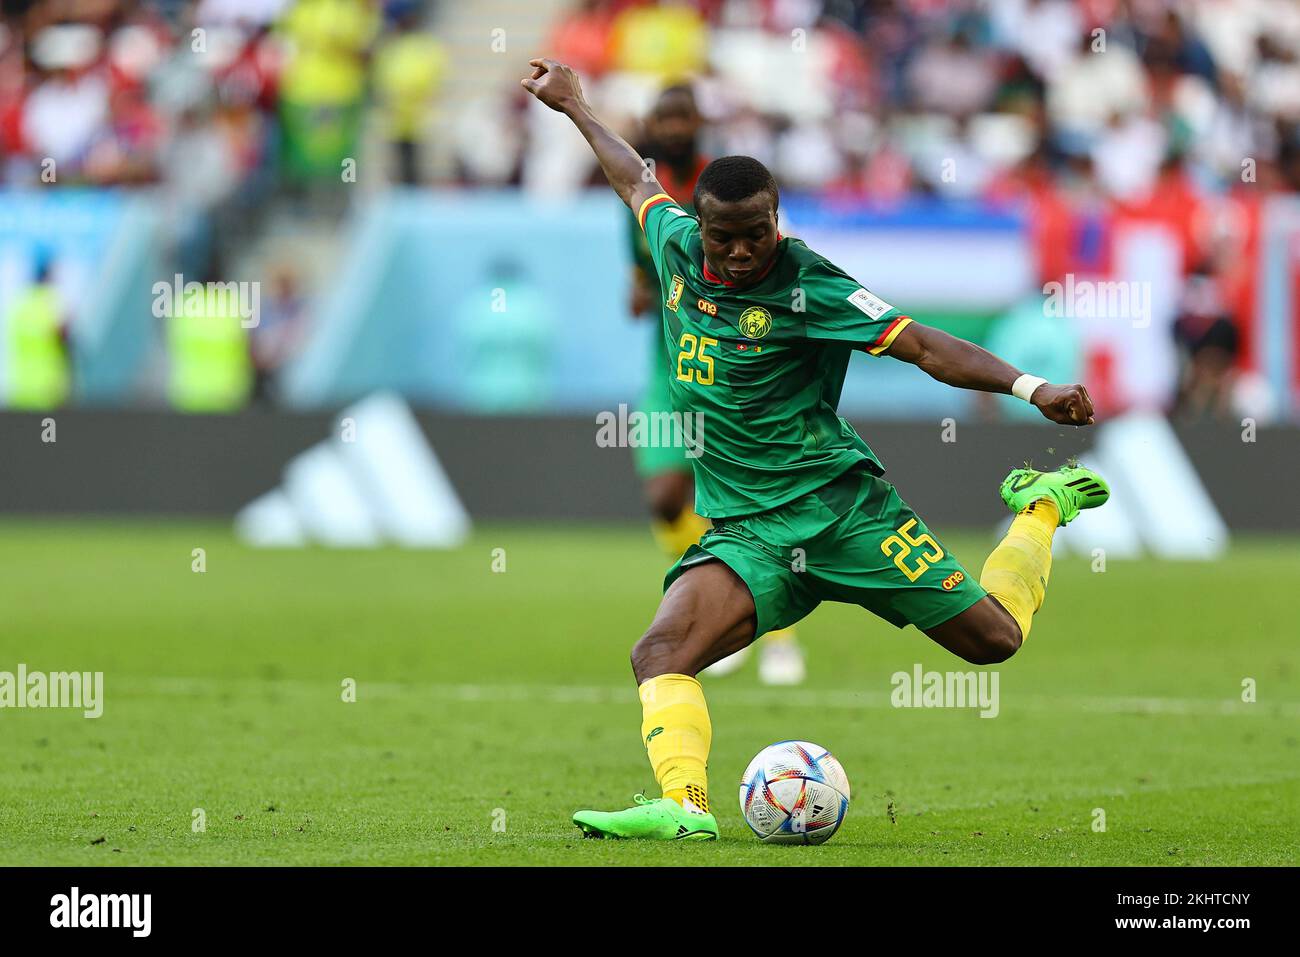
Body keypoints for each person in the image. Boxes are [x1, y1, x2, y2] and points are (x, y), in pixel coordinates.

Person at [521, 59, 1106, 841]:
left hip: (843, 514)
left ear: (777, 220)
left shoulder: (808, 284)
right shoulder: (672, 244)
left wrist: (1032, 389)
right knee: (659, 650)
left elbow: (923, 346)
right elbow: (634, 178)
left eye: (756, 235)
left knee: (993, 639)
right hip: (750, 532)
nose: (738, 254)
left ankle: (1043, 504)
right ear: (701, 227)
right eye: (724, 238)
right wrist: (576, 106)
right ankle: (685, 807)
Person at [627, 83, 805, 685]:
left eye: (683, 116)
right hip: (670, 367)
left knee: (748, 512)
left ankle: (775, 633)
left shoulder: (731, 189)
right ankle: (717, 608)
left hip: (734, 374)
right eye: (664, 115)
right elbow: (637, 278)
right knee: (663, 499)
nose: (674, 126)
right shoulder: (642, 195)